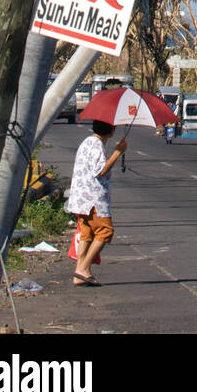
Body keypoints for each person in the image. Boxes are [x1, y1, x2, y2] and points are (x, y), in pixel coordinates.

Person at [66, 119, 127, 286]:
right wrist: (117, 152)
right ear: (111, 129)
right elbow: (100, 170)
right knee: (106, 231)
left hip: (82, 198)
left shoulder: (87, 142)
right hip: (93, 199)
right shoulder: (96, 144)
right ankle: (83, 268)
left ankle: (79, 272)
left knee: (87, 233)